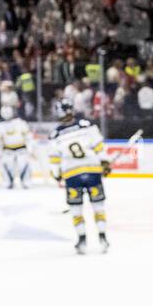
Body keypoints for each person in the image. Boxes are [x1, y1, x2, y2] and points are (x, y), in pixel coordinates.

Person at [48, 106, 113, 253]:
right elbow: (99, 146)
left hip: (72, 174)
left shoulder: (55, 134)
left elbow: (54, 159)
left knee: (76, 209)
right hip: (92, 170)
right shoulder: (86, 125)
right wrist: (105, 162)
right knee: (98, 207)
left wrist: (56, 174)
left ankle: (82, 240)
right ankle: (103, 238)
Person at [0, 106, 33, 188]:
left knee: (23, 164)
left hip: (21, 148)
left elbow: (29, 137)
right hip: (7, 149)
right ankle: (7, 182)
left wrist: (30, 148)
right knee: (6, 164)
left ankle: (26, 181)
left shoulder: (21, 123)